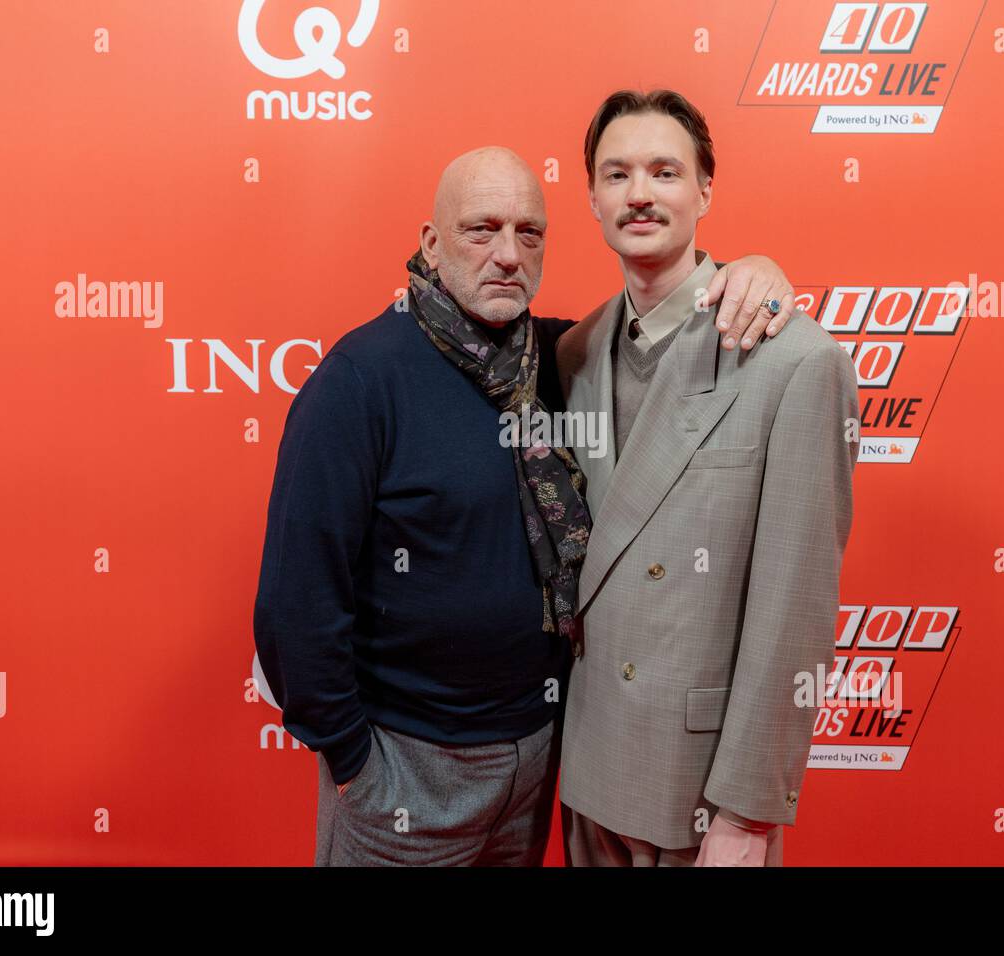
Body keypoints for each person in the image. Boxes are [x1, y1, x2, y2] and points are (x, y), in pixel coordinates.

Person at [251, 143, 797, 866]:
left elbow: (666, 334)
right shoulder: (360, 381)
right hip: (405, 767)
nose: (508, 254)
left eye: (528, 232)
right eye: (482, 229)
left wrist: (753, 272)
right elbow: (296, 602)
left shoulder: (560, 362)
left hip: (540, 760)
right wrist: (359, 764)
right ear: (430, 242)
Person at [556, 89, 861, 867]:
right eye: (617, 174)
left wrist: (749, 815)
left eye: (665, 171)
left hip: (698, 793)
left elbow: (796, 606)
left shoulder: (794, 359)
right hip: (589, 770)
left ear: (705, 190)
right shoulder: (573, 354)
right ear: (591, 196)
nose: (641, 194)